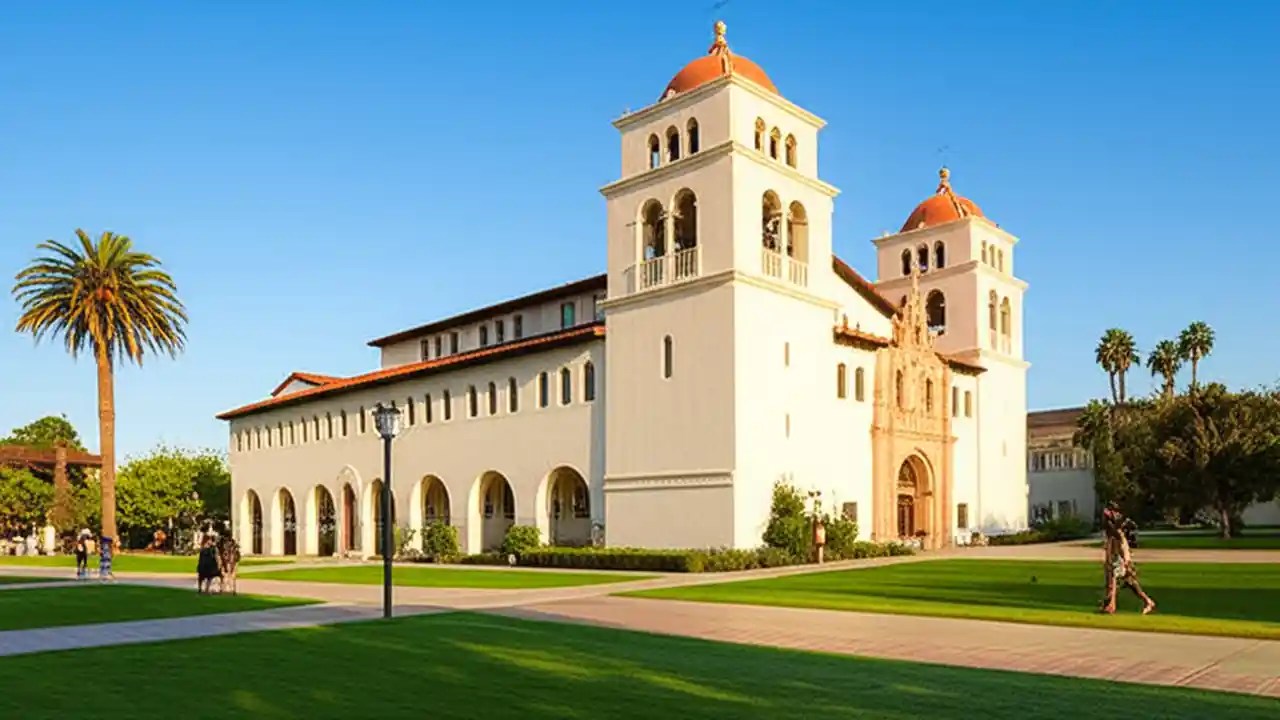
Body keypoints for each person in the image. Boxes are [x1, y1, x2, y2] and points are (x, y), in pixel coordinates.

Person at [1099, 504, 1155, 615]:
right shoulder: (1112, 534)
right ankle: (1148, 601)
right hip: (1117, 560)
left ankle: (1111, 605)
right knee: (1131, 584)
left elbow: (1123, 546)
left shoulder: (1117, 534)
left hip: (1120, 560)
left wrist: (1126, 561)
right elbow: (1110, 549)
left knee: (1113, 581)